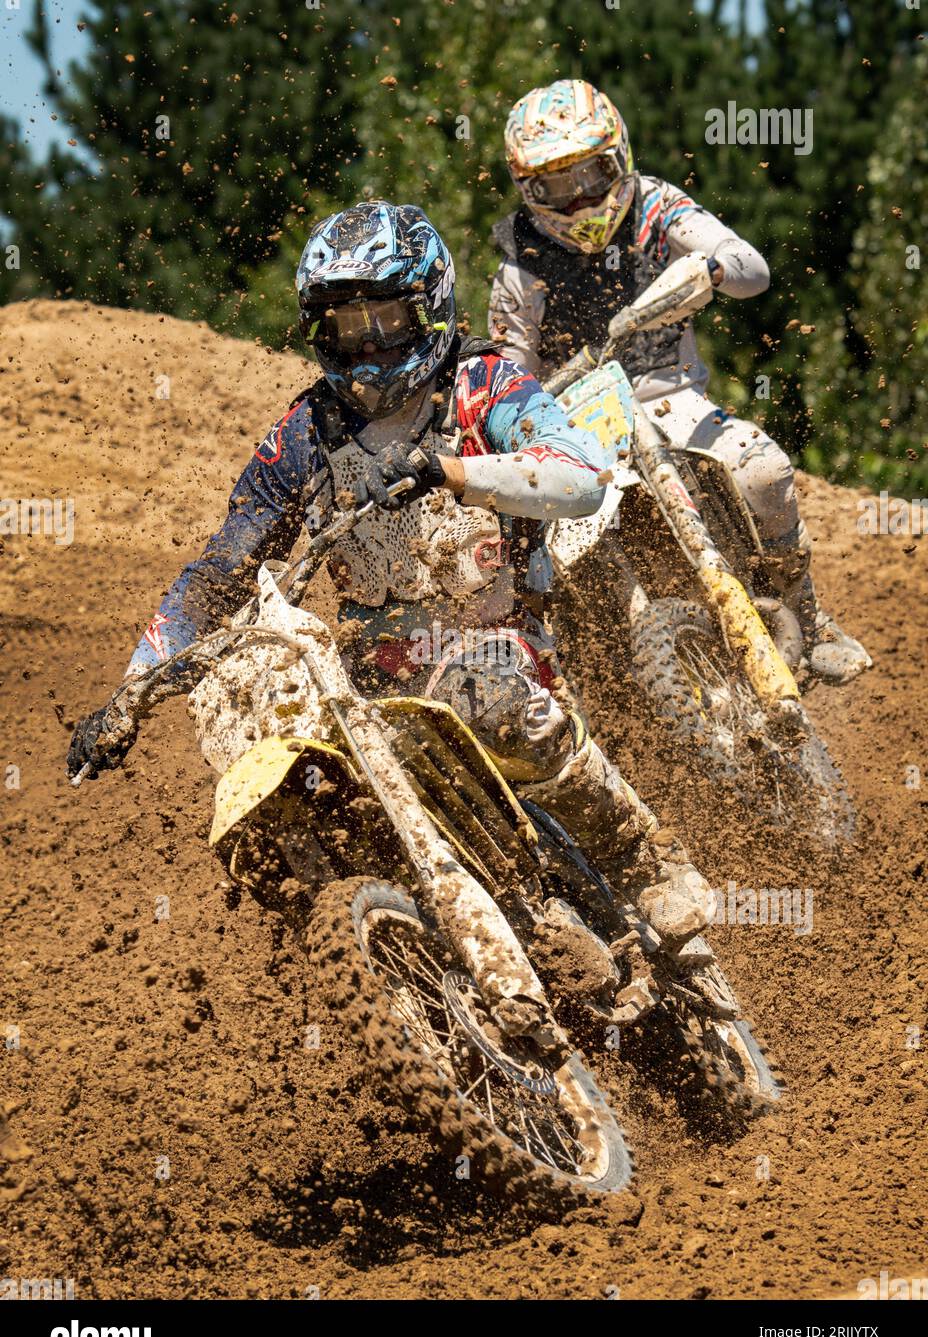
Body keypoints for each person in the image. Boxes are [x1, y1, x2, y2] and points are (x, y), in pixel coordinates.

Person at [67, 199, 714, 954]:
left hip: (500, 643)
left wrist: (453, 470)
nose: (367, 343)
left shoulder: (484, 383)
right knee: (274, 762)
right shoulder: (303, 435)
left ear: (428, 304)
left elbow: (580, 477)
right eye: (345, 326)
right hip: (371, 673)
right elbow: (219, 572)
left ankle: (645, 859)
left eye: (383, 318)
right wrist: (132, 690)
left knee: (494, 698)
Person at [488, 79, 871, 685]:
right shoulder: (518, 264)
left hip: (668, 396)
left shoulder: (657, 209)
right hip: (573, 421)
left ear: (619, 158)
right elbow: (509, 374)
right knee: (522, 543)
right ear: (528, 188)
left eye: (590, 175)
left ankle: (811, 619)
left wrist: (710, 268)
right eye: (555, 186)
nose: (578, 199)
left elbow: (753, 270)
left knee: (765, 469)